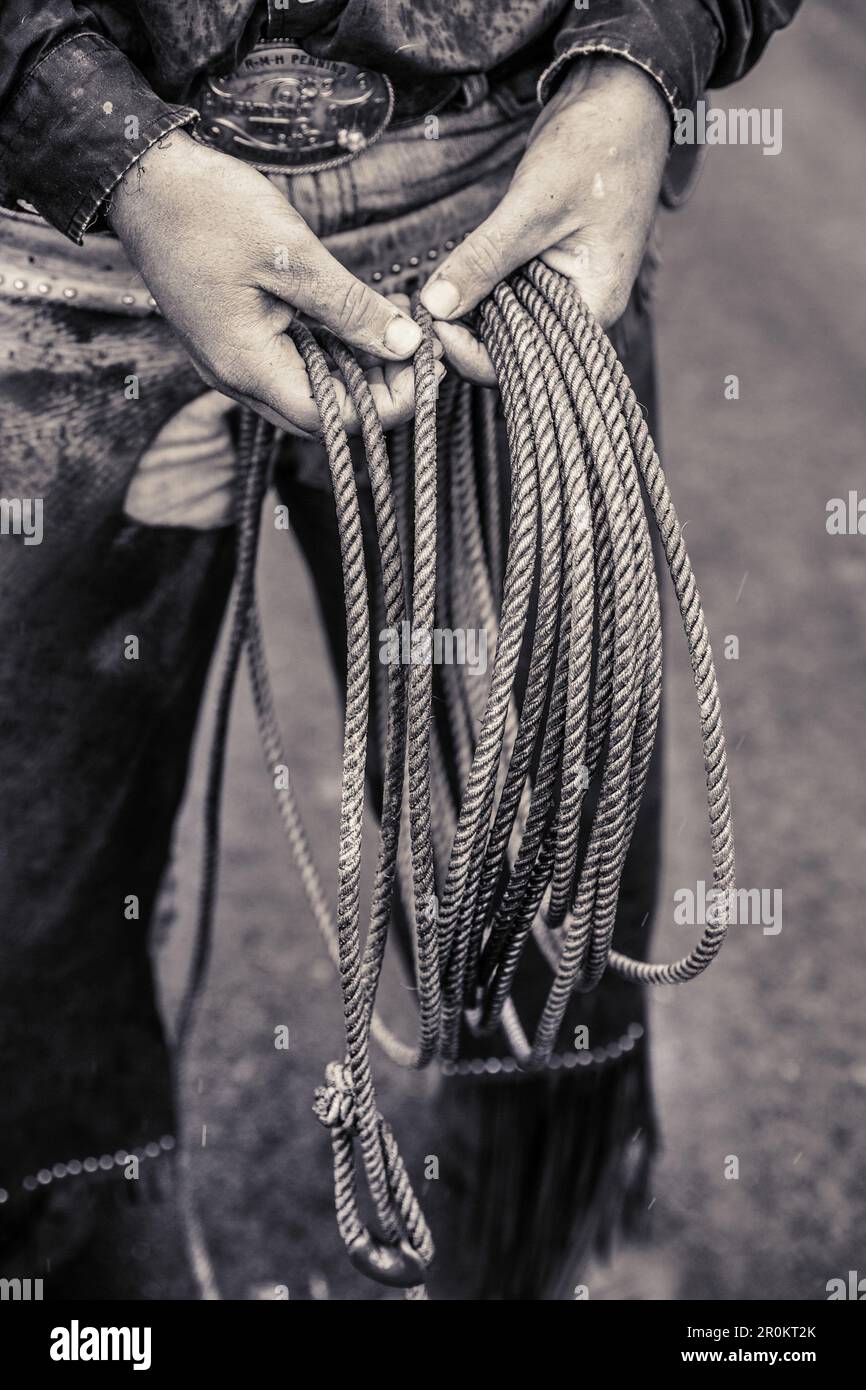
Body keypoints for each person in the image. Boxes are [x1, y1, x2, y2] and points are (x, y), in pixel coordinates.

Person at [0, 1, 800, 1298]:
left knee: (547, 858)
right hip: (37, 258)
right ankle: (79, 1274)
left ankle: (541, 1240)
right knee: (20, 897)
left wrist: (642, 65)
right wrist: (77, 122)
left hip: (496, 221)